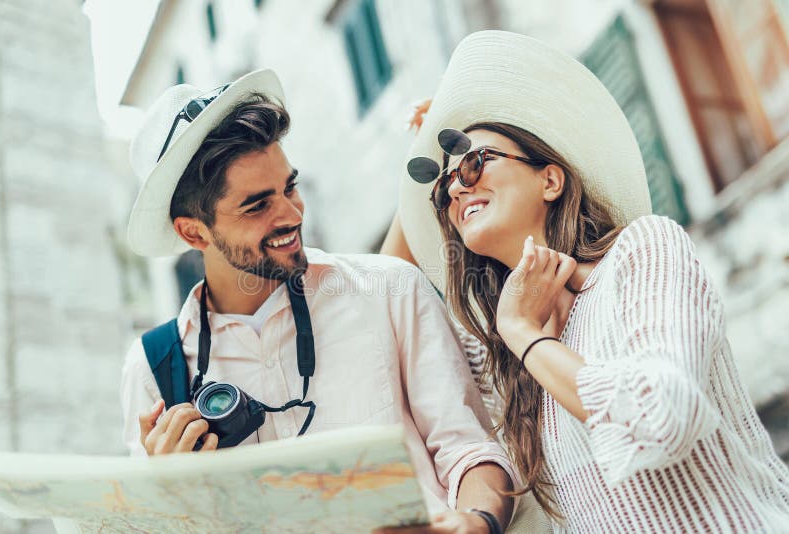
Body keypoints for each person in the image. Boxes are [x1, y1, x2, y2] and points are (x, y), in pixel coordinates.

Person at [388, 30, 789, 532]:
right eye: (444, 186)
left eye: (475, 160)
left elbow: (663, 414)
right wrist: (424, 154)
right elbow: (385, 300)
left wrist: (527, 335)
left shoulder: (641, 251)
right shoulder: (499, 361)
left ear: (550, 180)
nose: (457, 186)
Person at [120, 68, 519, 533]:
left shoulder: (389, 290)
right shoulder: (153, 369)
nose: (292, 214)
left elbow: (471, 451)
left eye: (289, 187)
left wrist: (476, 523)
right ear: (193, 231)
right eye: (256, 205)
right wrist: (169, 501)